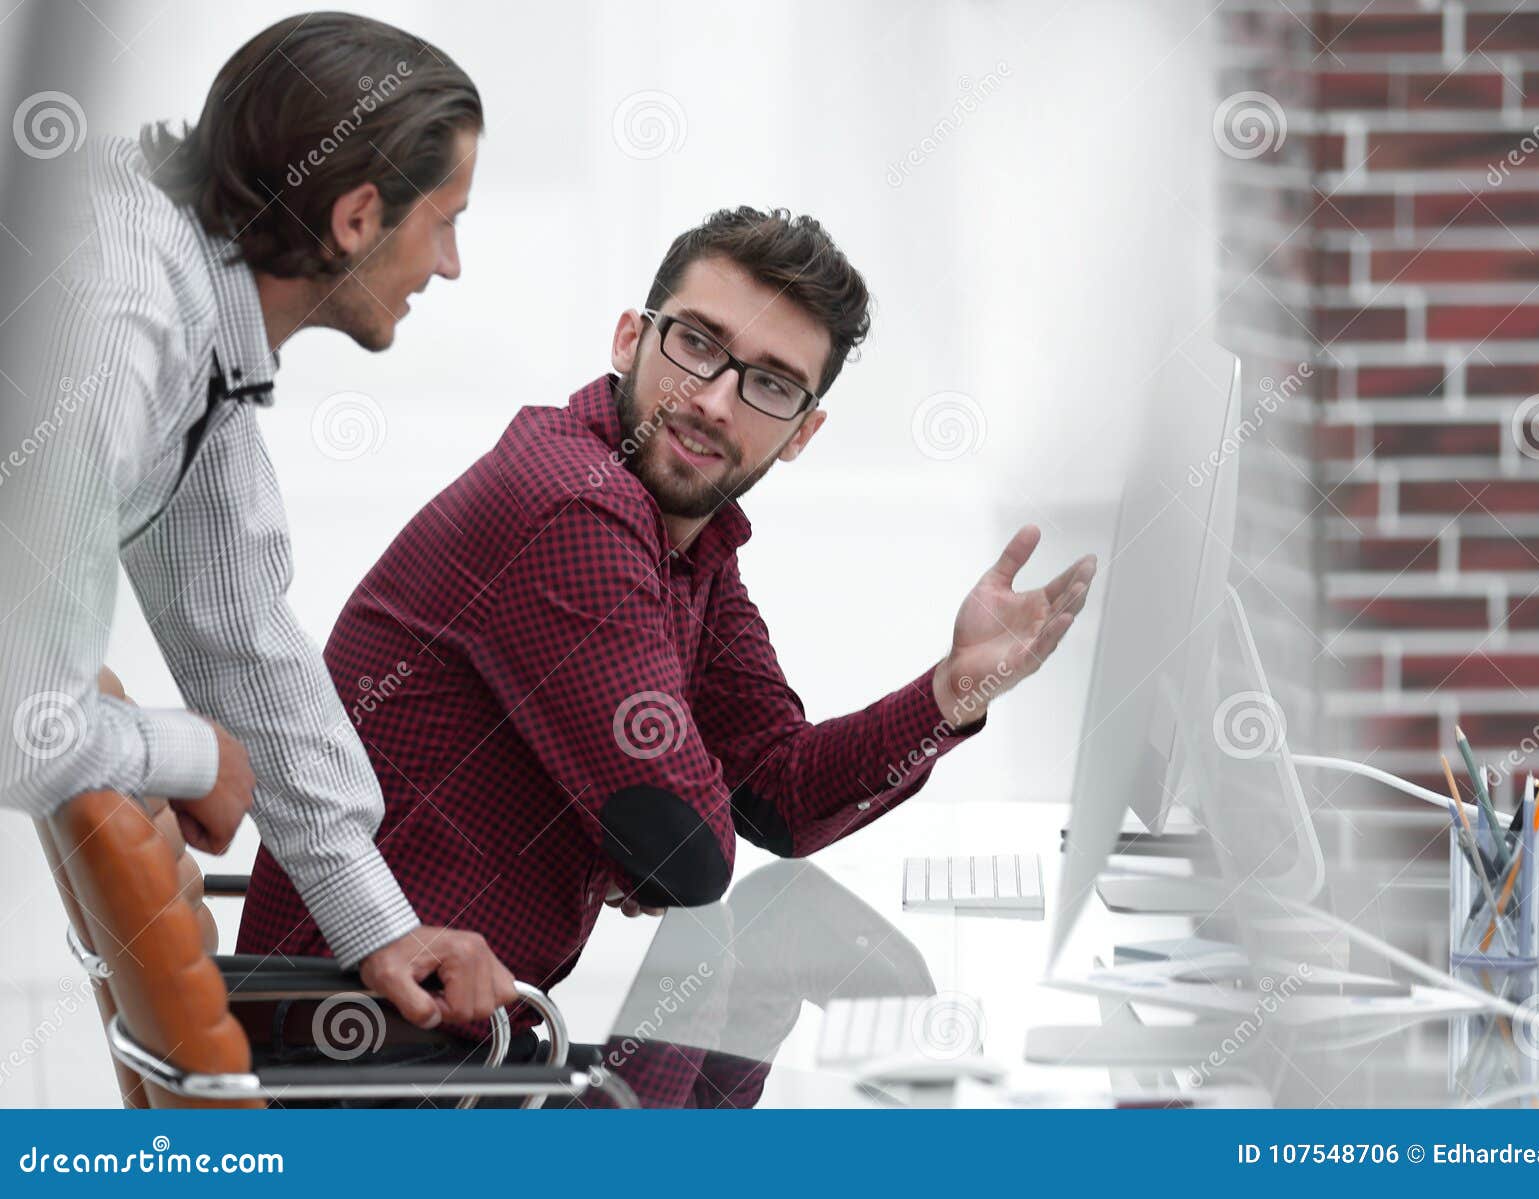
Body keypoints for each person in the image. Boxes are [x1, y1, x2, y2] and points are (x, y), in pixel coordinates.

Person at [238, 207, 1096, 1040]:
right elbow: (686, 855)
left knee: (757, 1047)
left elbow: (779, 794)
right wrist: (644, 837)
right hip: (365, 1063)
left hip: (462, 1044)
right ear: (628, 340)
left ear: (802, 432)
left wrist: (952, 690)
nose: (716, 403)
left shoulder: (688, 536)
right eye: (697, 343)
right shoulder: (578, 503)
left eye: (769, 383)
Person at [0, 13, 515, 1030]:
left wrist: (380, 923)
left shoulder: (191, 309)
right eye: (444, 219)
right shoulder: (120, 324)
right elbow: (24, 724)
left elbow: (239, 628)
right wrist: (191, 752)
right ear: (359, 216)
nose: (450, 264)